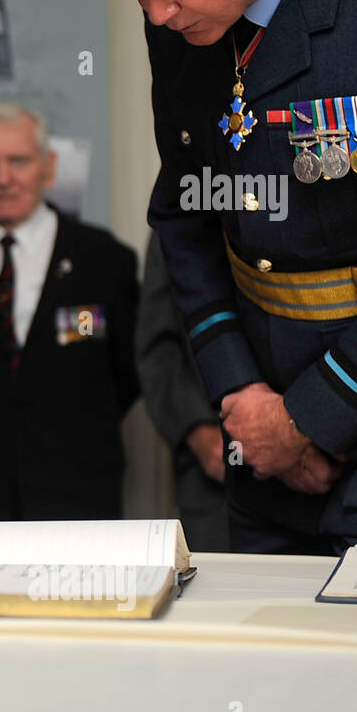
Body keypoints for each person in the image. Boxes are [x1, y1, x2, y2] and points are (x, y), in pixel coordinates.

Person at [81, 0, 357, 553]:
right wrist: (244, 397)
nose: (157, 12)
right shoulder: (178, 14)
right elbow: (185, 215)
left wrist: (307, 419)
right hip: (259, 441)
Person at [0, 103, 139, 521]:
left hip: (78, 497)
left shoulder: (106, 261)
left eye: (18, 161)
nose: (3, 178)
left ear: (48, 168)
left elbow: (128, 374)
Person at [135, 233, 230, 551]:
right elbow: (158, 348)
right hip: (214, 481)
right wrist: (201, 436)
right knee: (216, 597)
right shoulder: (181, 211)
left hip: (322, 473)